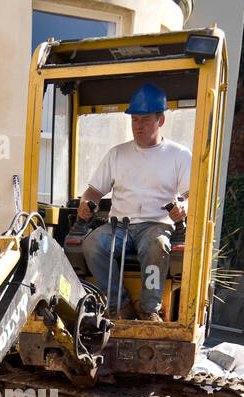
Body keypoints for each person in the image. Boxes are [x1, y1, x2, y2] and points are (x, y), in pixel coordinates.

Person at [77, 82, 191, 320]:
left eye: (145, 120)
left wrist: (184, 207)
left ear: (161, 121)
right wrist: (87, 203)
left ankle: (150, 310)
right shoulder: (117, 154)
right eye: (135, 120)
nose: (138, 126)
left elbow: (191, 197)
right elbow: (93, 192)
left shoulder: (178, 155)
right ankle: (119, 307)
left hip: (156, 224)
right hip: (120, 226)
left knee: (156, 245)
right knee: (92, 245)